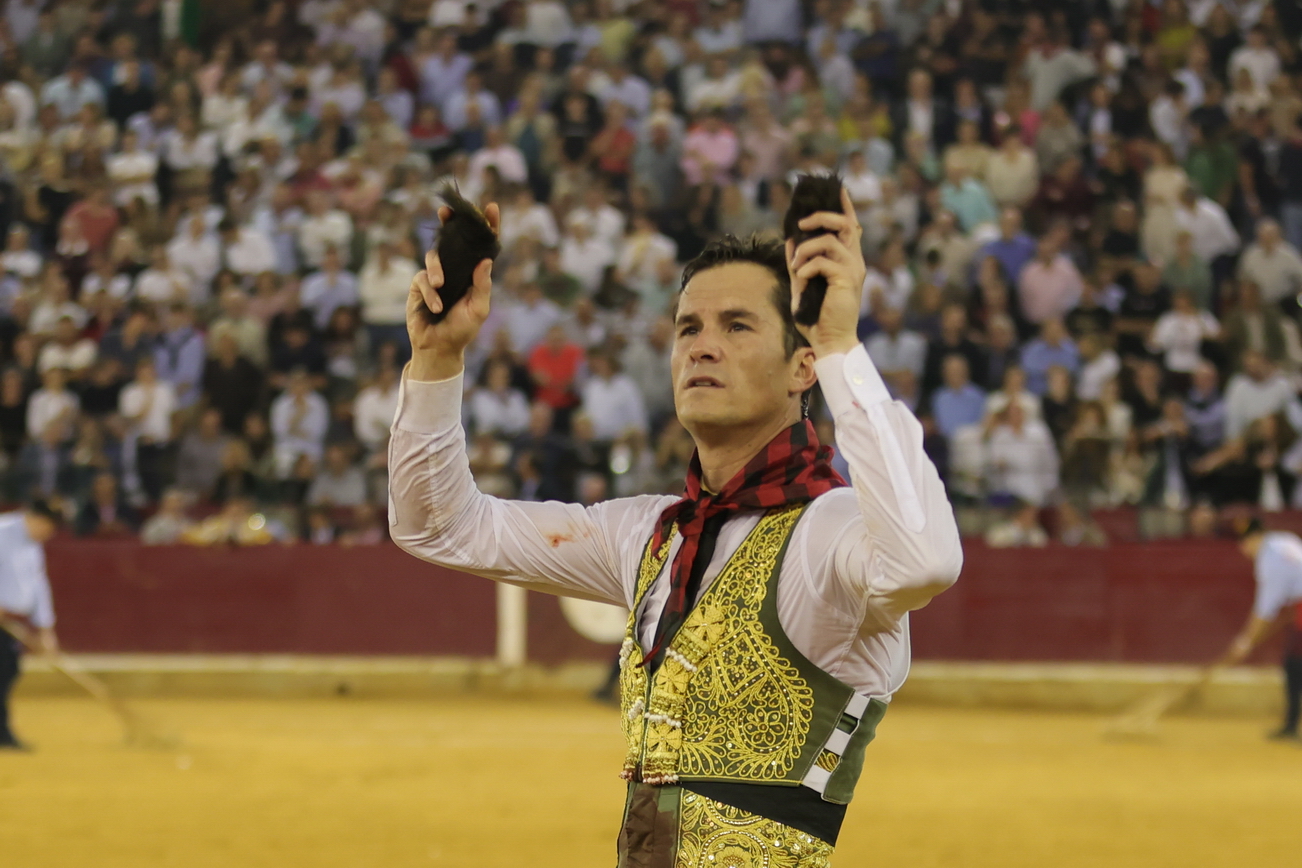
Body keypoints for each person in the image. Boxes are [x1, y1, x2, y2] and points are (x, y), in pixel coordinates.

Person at [388, 195, 961, 861]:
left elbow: (924, 559)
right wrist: (434, 361)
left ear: (801, 366)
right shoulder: (649, 534)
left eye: (738, 326)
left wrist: (839, 345)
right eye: (688, 328)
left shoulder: (828, 532)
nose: (703, 347)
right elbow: (440, 525)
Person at [1220, 518, 1302, 740]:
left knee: (1294, 665)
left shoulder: (1270, 560)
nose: (1243, 548)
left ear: (1256, 538)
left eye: (1245, 542)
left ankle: (1291, 725)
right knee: (1294, 664)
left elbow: (1265, 611)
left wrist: (1245, 642)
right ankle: (1291, 724)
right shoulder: (1284, 539)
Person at [0, 500, 62, 750]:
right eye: (48, 528)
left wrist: (46, 630)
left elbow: (38, 586)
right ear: (36, 519)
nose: (48, 535)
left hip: (9, 623)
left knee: (8, 671)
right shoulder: (1, 533)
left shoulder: (33, 545)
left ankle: (2, 732)